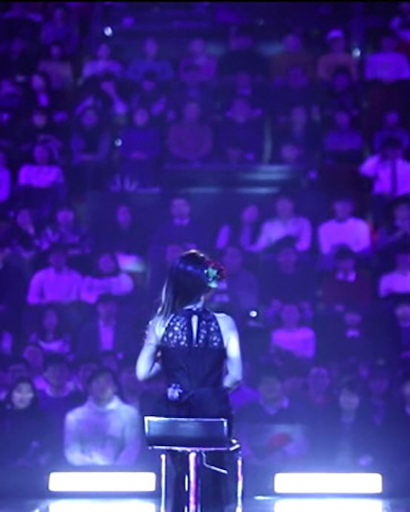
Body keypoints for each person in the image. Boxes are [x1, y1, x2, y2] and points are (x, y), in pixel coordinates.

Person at [136, 250, 242, 512]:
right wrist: (212, 392)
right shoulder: (225, 323)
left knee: (179, 472)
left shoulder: (161, 322)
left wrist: (167, 359)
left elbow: (142, 373)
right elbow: (236, 376)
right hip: (212, 413)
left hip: (175, 412)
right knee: (212, 474)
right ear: (207, 287)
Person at [64, 367, 141, 466]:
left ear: (115, 387)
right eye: (97, 382)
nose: (102, 386)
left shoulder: (129, 414)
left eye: (107, 382)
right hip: (84, 472)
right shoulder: (74, 417)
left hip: (121, 472)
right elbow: (72, 450)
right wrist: (89, 466)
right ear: (89, 388)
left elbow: (132, 447)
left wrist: (115, 470)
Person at [0, 378, 47, 466]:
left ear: (33, 395)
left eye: (28, 392)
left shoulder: (42, 417)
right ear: (11, 393)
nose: (23, 396)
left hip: (33, 467)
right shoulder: (3, 416)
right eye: (19, 391)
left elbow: (47, 443)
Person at [77, 294, 136, 361]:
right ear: (97, 308)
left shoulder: (124, 329)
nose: (107, 309)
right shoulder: (88, 329)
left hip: (119, 364)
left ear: (116, 308)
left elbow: (132, 351)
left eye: (110, 306)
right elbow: (82, 352)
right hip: (94, 364)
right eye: (104, 306)